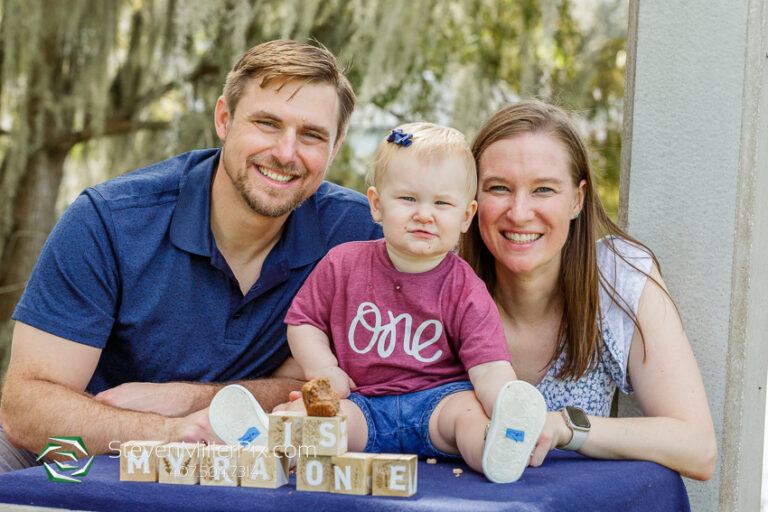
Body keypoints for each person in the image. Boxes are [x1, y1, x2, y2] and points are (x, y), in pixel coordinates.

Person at [0, 39, 382, 473]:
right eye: (267, 123)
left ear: (334, 148)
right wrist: (172, 433)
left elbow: (366, 386)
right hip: (90, 453)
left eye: (311, 135)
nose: (285, 152)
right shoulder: (110, 221)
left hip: (251, 461)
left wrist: (195, 400)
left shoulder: (360, 236)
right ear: (224, 119)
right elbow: (26, 407)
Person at [222, 122, 548, 483]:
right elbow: (304, 322)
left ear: (465, 217)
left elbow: (488, 367)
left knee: (469, 416)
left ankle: (499, 444)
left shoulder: (465, 288)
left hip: (438, 403)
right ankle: (268, 444)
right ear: (376, 205)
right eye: (408, 199)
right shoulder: (343, 264)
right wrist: (325, 370)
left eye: (442, 203)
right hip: (362, 403)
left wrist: (502, 402)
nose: (424, 214)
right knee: (322, 422)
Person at [459, 100, 717, 480]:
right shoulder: (439, 281)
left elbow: (698, 448)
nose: (519, 212)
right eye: (499, 188)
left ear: (577, 200)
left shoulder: (617, 278)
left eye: (543, 190)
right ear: (473, 200)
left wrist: (566, 428)